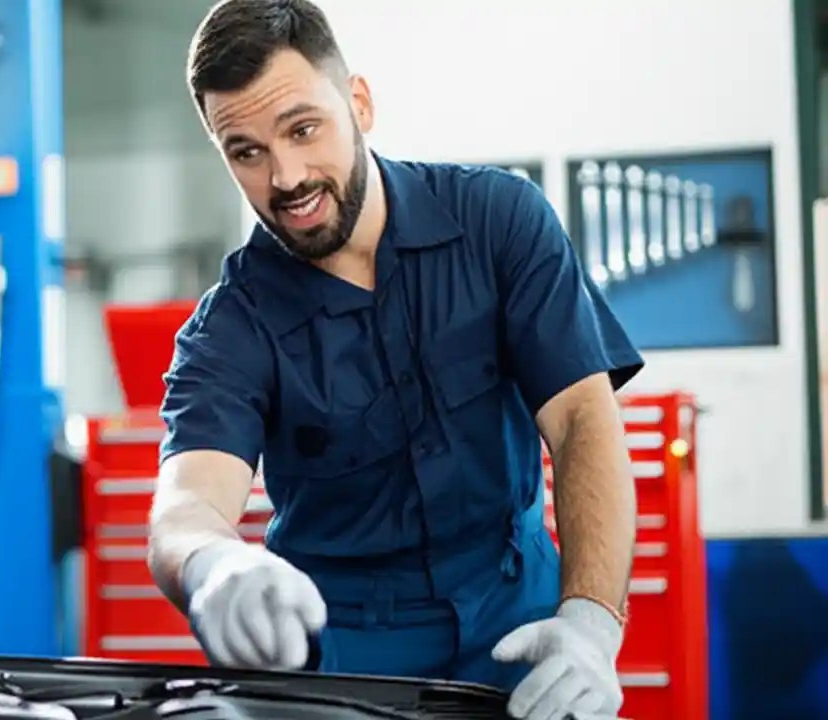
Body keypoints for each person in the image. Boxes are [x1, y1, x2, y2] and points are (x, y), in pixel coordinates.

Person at [146, 1, 643, 718]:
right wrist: (212, 563)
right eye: (246, 151)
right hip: (343, 664)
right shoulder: (231, 326)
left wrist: (592, 623)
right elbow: (187, 502)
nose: (285, 177)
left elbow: (582, 422)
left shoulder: (500, 223)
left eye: (303, 129)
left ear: (359, 103)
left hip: (524, 633)